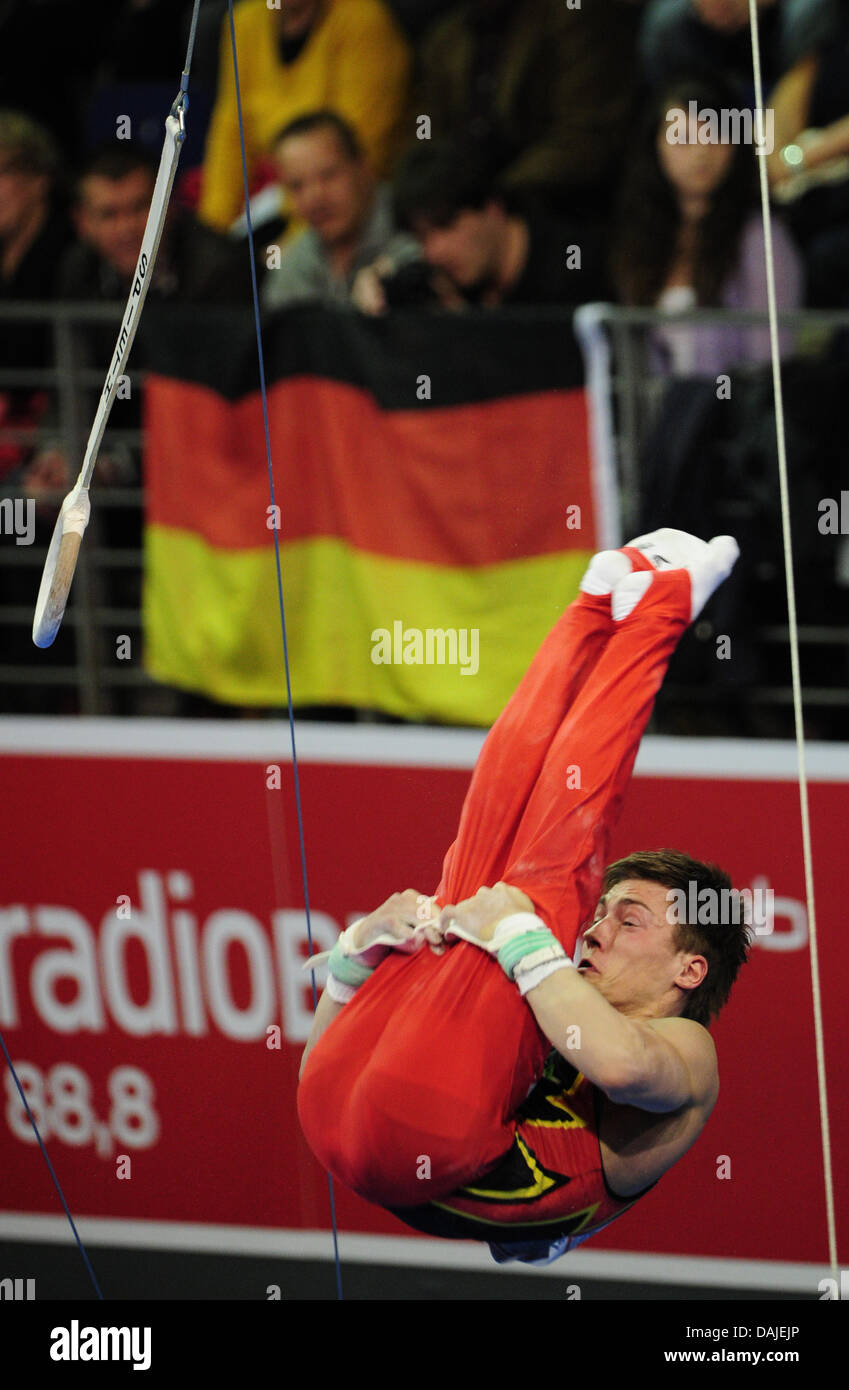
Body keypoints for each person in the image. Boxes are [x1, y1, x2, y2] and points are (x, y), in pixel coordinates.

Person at [298, 528, 750, 1264]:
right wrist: (359, 958)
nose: (594, 933)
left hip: (407, 1132)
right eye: (605, 914)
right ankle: (594, 607)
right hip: (333, 1110)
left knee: (540, 880)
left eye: (628, 920)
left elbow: (625, 1069)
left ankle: (662, 605)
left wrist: (514, 939)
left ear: (688, 971)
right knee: (479, 874)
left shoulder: (685, 1049)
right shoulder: (550, 1002)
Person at [610, 76, 803, 376]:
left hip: (730, 414)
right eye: (683, 138)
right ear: (654, 144)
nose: (701, 152)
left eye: (715, 135)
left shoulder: (760, 238)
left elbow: (768, 366)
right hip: (657, 417)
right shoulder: (639, 237)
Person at [198, 0, 411, 233]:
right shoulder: (245, 21)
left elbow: (354, 160)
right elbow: (230, 137)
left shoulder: (363, 21)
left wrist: (288, 253)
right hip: (274, 201)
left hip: (347, 217)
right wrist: (211, 233)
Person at [382, 140, 608, 311]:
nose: (434, 252)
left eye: (446, 225)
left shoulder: (576, 270)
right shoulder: (442, 284)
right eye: (422, 237)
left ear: (493, 208)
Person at [262, 110, 419, 310]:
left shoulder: (421, 226)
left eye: (328, 175)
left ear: (363, 168)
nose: (314, 198)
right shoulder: (293, 267)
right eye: (297, 186)